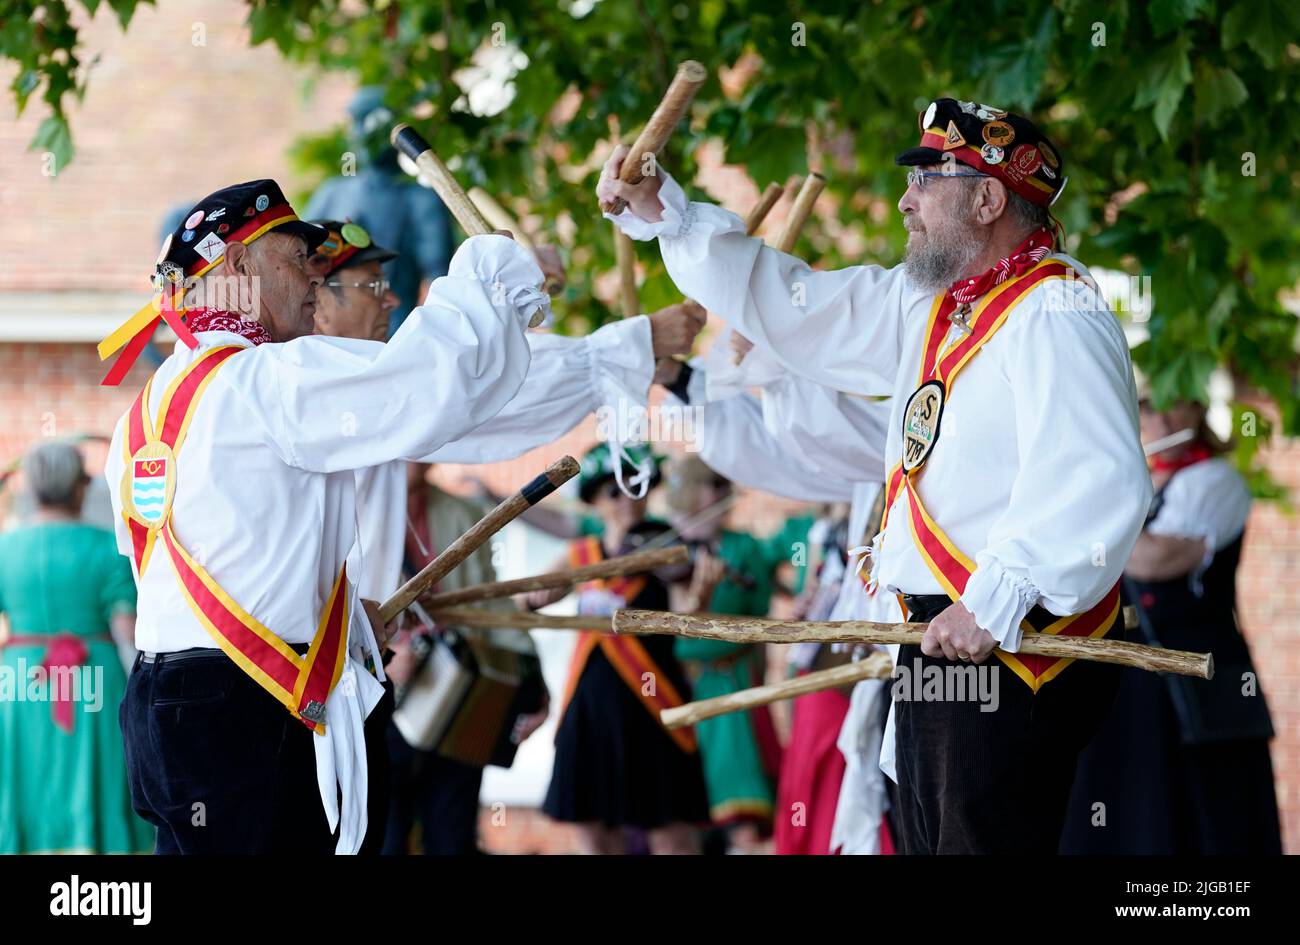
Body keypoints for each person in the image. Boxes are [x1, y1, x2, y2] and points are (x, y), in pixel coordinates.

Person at [601, 97, 1152, 854]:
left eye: (928, 180)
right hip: (936, 635)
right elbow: (795, 305)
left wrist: (994, 599)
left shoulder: (1055, 311)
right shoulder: (928, 302)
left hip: (1008, 644)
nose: (905, 199)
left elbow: (1096, 475)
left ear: (989, 198)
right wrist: (669, 213)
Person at [101, 178, 547, 854]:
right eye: (296, 259)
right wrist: (489, 275)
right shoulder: (273, 380)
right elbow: (427, 383)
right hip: (244, 703)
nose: (315, 277)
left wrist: (335, 623)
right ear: (240, 269)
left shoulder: (149, 408)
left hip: (171, 699)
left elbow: (180, 572)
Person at [305, 220, 707, 852]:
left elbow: (482, 392)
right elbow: (449, 382)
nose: (389, 300)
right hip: (310, 684)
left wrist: (524, 302)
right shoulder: (322, 382)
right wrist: (628, 338)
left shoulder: (389, 417)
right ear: (315, 299)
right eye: (372, 285)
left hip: (393, 685)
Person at [1061, 395, 1282, 853]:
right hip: (1128, 688)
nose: (1158, 419)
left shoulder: (1215, 479)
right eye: (1147, 408)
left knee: (1202, 824)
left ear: (1198, 411)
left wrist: (1094, 507)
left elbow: (1153, 560)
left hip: (1195, 687)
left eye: (1171, 406)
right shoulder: (1136, 482)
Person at [520, 443, 708, 854]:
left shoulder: (666, 550)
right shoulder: (580, 556)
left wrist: (700, 588)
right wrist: (537, 596)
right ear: (595, 501)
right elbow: (526, 597)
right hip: (590, 704)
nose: (629, 501)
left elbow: (685, 617)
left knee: (671, 831)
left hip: (651, 701)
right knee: (592, 831)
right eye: (615, 492)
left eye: (637, 489)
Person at [0, 442, 151, 854]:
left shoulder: (4, 549)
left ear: (30, 488)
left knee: (25, 778)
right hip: (94, 678)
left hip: (19, 680)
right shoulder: (108, 548)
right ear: (79, 488)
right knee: (95, 776)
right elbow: (128, 633)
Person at [664, 455, 783, 853]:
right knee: (678, 816)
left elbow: (758, 619)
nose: (722, 493)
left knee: (742, 813)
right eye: (711, 484)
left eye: (722, 484)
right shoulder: (666, 544)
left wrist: (703, 596)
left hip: (729, 685)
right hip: (672, 687)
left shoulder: (742, 548)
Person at [304, 87, 454, 335]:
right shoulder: (332, 192)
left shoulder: (419, 198)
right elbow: (297, 265)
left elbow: (443, 283)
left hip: (394, 334)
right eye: (355, 123)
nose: (357, 133)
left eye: (368, 121)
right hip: (330, 337)